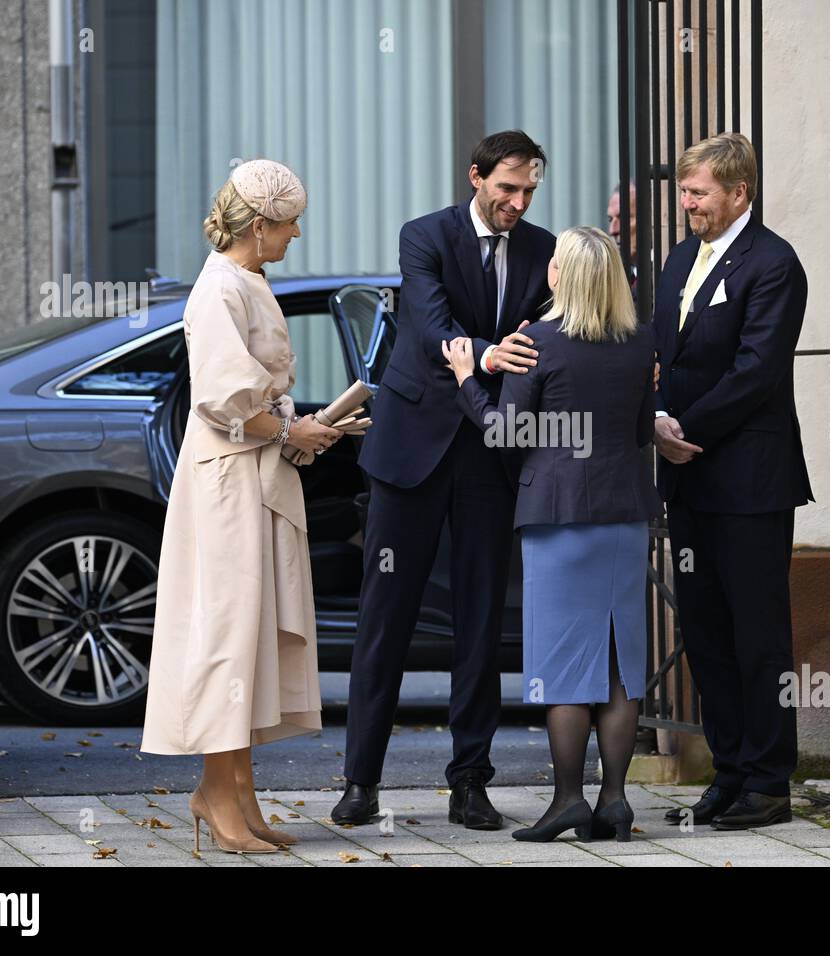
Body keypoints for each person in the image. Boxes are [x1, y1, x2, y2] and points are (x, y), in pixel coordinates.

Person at [332, 131, 557, 829]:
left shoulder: (546, 251)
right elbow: (432, 331)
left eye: (528, 193)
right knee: (385, 620)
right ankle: (361, 782)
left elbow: (549, 339)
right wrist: (493, 354)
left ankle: (470, 783)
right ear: (477, 177)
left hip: (491, 458)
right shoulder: (424, 236)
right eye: (506, 190)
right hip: (411, 451)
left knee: (481, 622)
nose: (517, 204)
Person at [139, 159, 342, 854]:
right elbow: (223, 401)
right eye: (289, 224)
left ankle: (240, 794)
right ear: (259, 226)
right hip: (228, 483)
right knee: (229, 638)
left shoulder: (245, 278)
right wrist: (294, 430)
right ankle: (215, 796)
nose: (297, 235)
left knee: (248, 635)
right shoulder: (220, 286)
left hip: (248, 475)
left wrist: (300, 428)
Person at [444, 225, 661, 842]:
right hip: (625, 514)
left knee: (566, 661)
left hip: (558, 515)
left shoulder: (537, 343)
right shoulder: (639, 343)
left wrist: (466, 375)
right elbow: (645, 431)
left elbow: (503, 432)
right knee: (620, 659)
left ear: (560, 276)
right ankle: (615, 800)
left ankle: (569, 798)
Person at [651, 132, 814, 829]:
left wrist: (683, 428)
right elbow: (663, 353)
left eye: (698, 193)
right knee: (707, 634)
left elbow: (756, 371)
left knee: (757, 635)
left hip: (748, 480)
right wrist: (654, 413)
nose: (687, 203)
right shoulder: (681, 258)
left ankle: (769, 779)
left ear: (738, 193)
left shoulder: (774, 264)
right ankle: (730, 767)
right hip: (685, 476)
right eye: (685, 192)